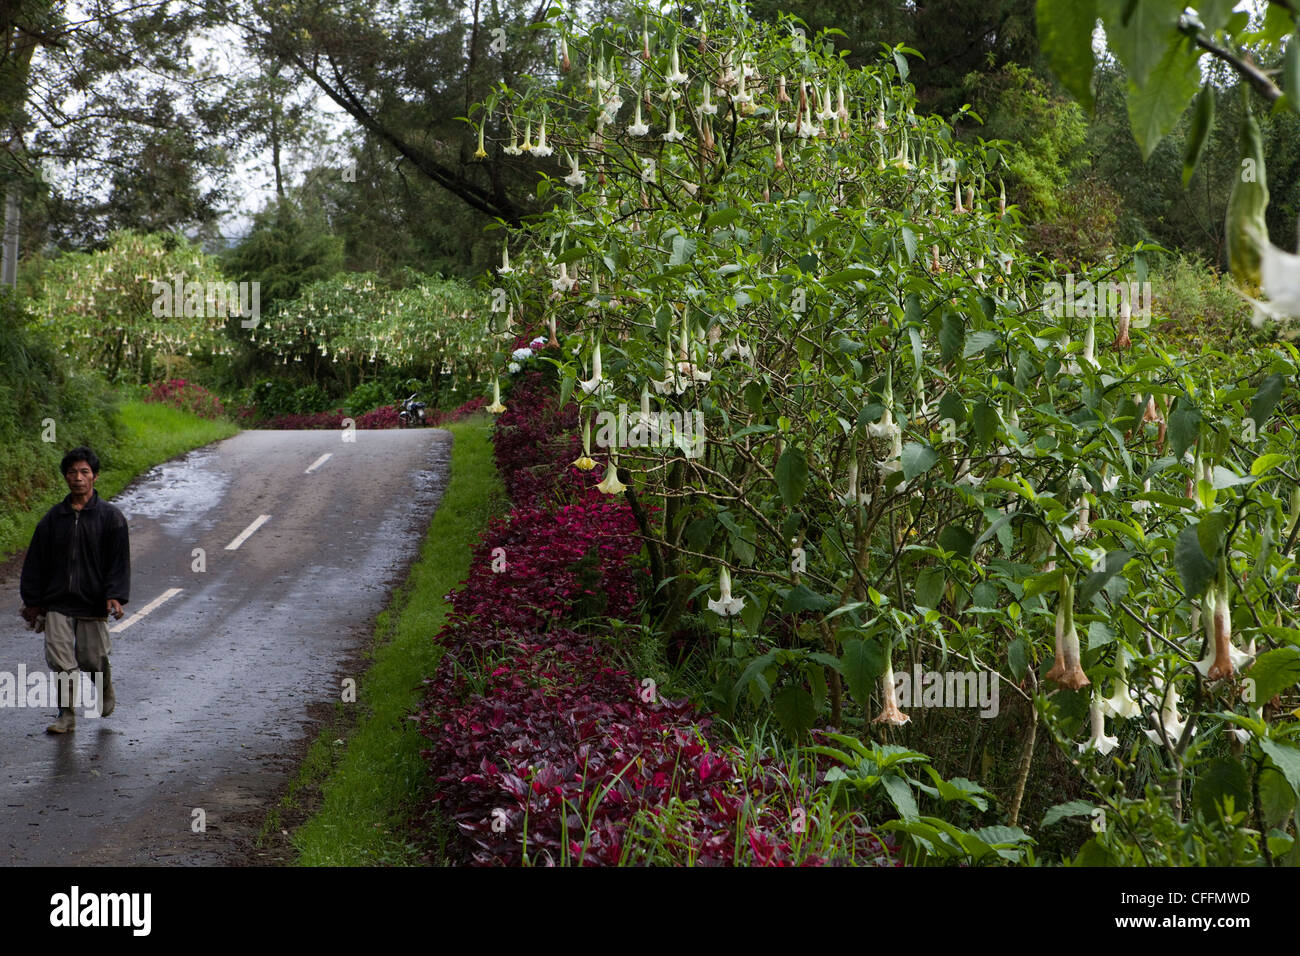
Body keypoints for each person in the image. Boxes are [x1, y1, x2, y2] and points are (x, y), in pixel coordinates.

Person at [18, 447, 130, 734]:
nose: (77, 478)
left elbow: (118, 562)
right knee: (60, 661)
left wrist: (114, 594)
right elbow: (35, 562)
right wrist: (33, 602)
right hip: (57, 602)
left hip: (92, 603)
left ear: (95, 476)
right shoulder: (53, 519)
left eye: (84, 472)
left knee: (92, 659)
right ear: (65, 478)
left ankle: (104, 686)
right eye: (72, 473)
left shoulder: (110, 518)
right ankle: (66, 715)